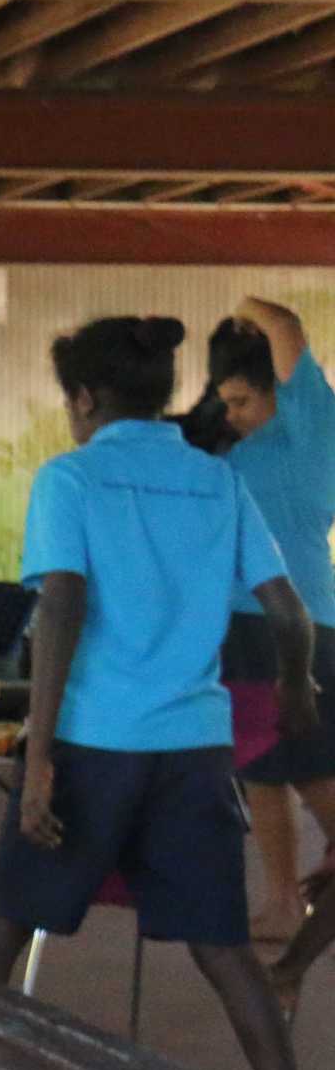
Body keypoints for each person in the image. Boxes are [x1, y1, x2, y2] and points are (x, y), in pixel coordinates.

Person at [0, 318, 312, 1070]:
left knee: (2, 936)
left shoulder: (72, 480)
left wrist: (42, 753)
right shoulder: (216, 482)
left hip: (95, 746)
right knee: (224, 948)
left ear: (85, 398)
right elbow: (288, 612)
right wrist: (297, 688)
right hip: (193, 754)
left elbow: (62, 603)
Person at [202, 300, 335, 1011]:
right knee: (262, 772)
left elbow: (285, 328)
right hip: (243, 620)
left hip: (290, 623)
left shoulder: (311, 422)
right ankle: (283, 903)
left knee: (311, 772)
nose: (236, 414)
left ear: (285, 389)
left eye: (245, 400)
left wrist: (246, 308)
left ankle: (302, 901)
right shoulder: (232, 448)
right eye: (226, 401)